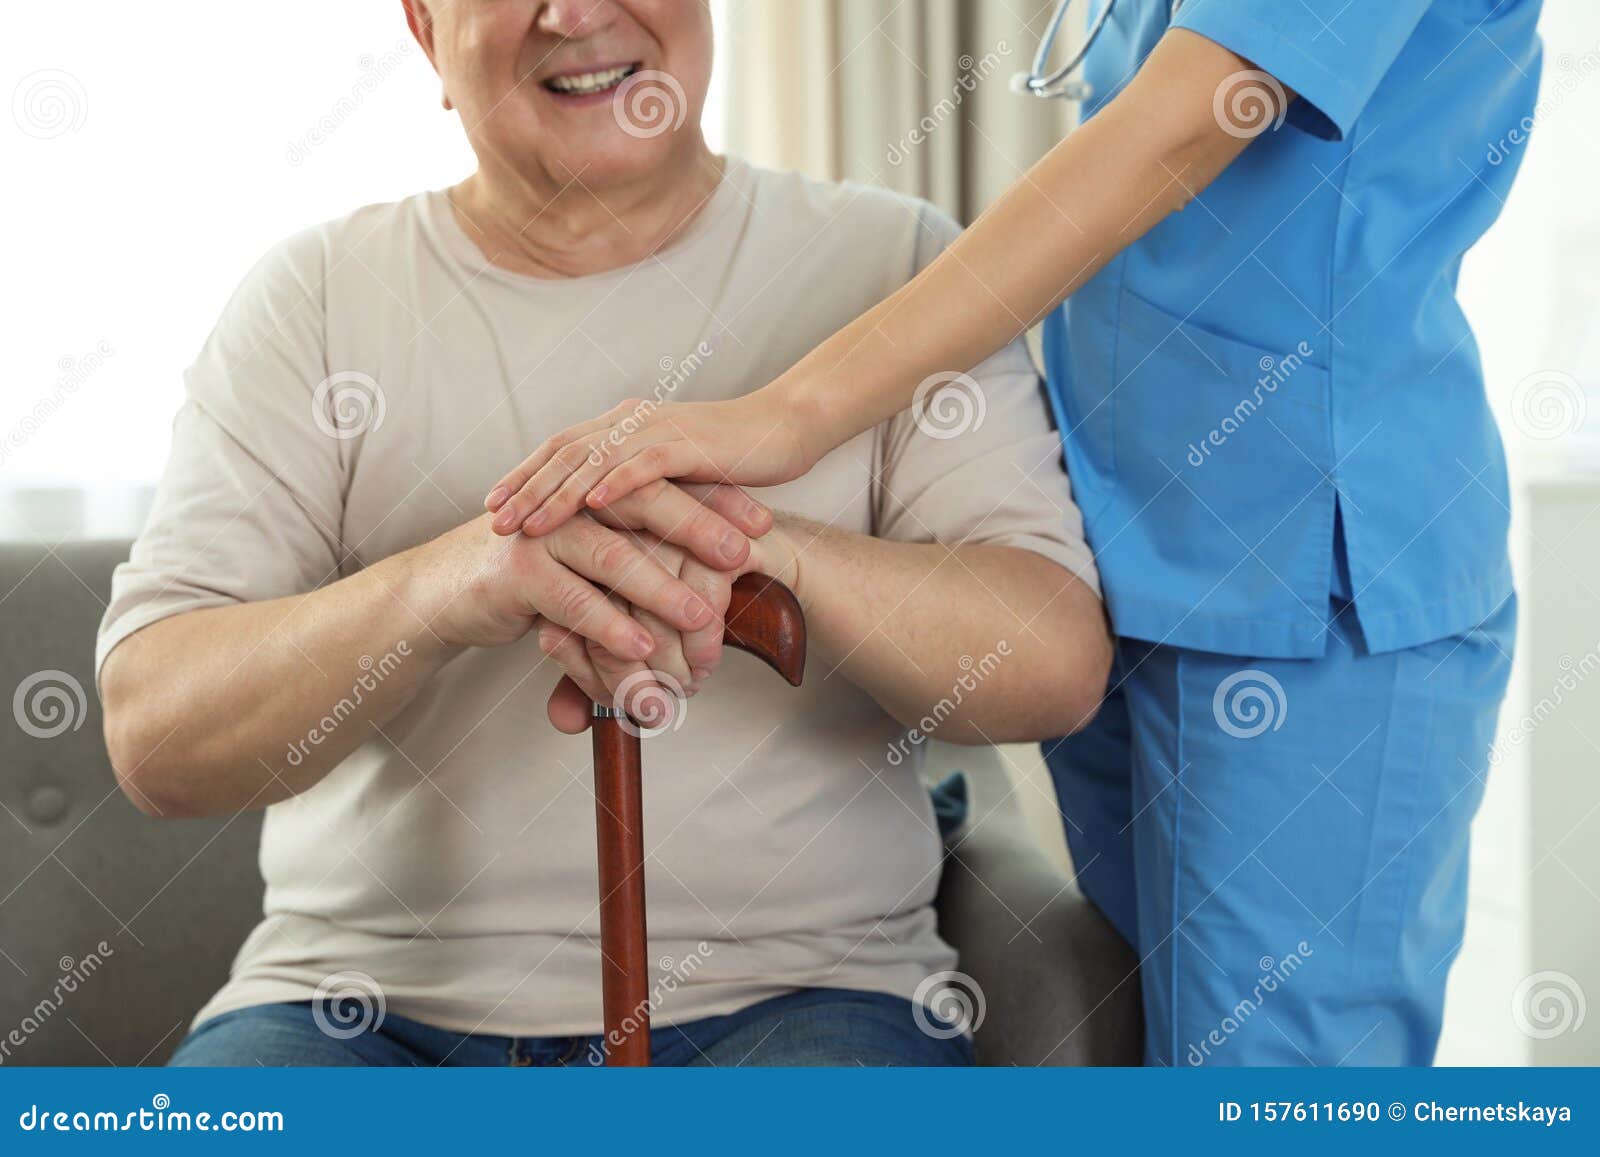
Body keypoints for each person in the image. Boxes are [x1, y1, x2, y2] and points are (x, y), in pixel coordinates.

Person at [491, 0, 1544, 1065]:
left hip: (1300, 575)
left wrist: (790, 414)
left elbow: (1184, 120)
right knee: (1133, 1052)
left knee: (1273, 1089)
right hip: (1126, 553)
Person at [97, 0, 1110, 1067]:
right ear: (423, 29)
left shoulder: (898, 265)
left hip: (808, 995)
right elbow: (158, 738)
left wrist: (753, 550)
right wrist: (444, 588)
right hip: (356, 1012)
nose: (574, 13)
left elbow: (1052, 665)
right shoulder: (311, 302)